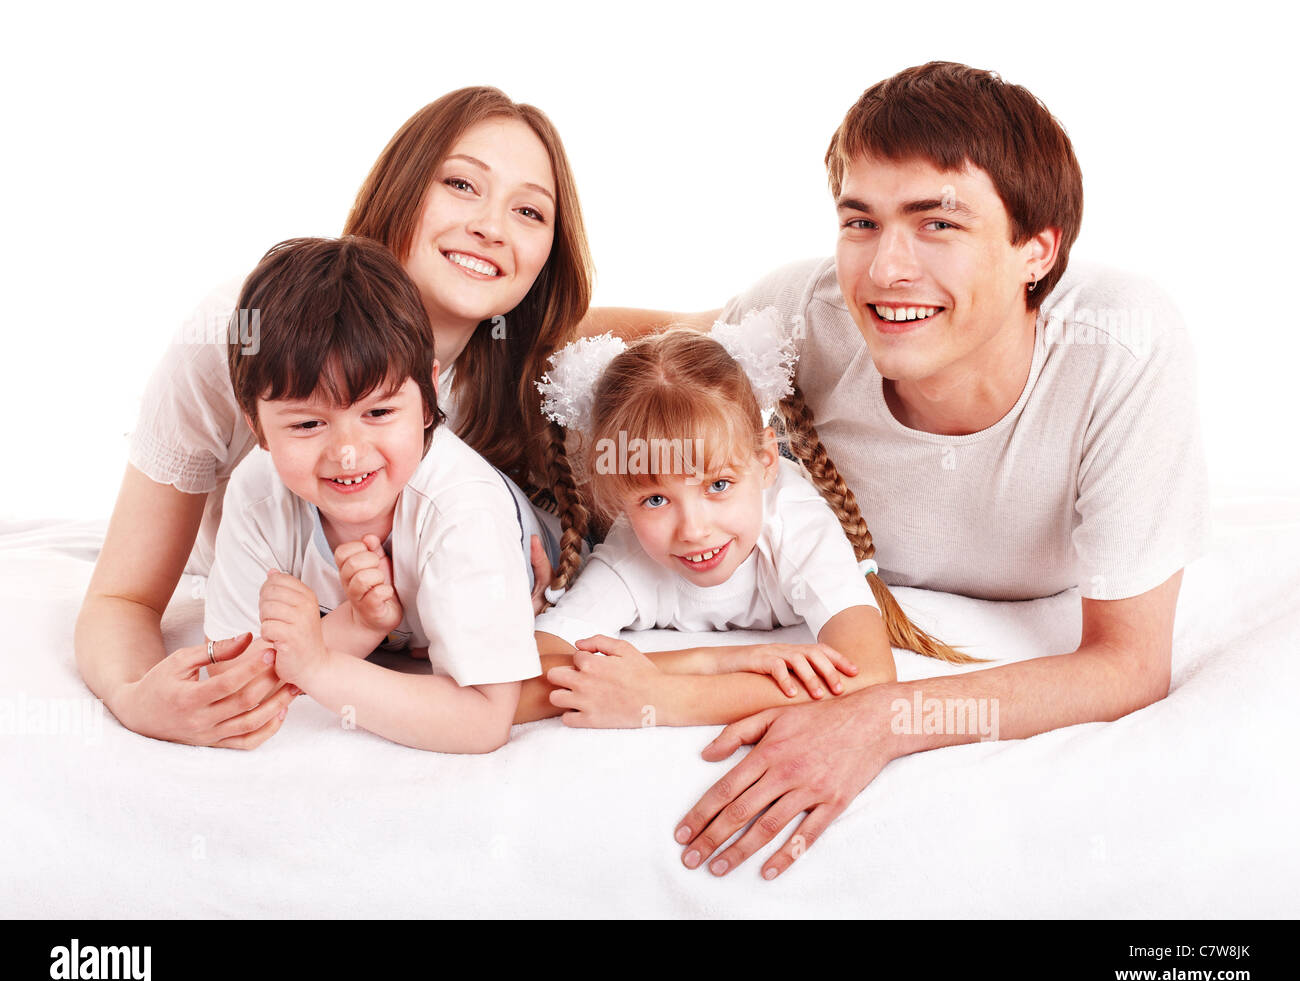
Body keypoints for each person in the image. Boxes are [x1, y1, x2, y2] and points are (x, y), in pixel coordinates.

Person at [588, 62, 1208, 878]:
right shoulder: (803, 315)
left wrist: (880, 719)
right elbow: (660, 339)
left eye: (936, 224)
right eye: (861, 222)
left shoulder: (1121, 349)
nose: (884, 270)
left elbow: (1128, 664)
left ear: (1037, 249)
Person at [76, 87, 593, 748]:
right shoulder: (245, 335)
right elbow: (123, 597)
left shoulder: (518, 376)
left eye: (528, 210)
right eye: (463, 184)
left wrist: (528, 588)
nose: (491, 226)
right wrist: (134, 696)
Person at [516, 311, 980, 727]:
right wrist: (711, 662)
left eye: (718, 486)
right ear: (618, 495)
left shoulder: (793, 520)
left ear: (764, 461)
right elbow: (523, 684)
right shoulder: (629, 555)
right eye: (656, 500)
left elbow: (869, 671)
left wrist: (666, 698)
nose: (694, 530)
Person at [206, 235, 541, 752]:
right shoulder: (257, 493)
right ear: (256, 425)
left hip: (538, 546)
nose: (347, 453)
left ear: (427, 399)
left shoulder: (462, 508)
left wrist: (319, 663)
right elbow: (233, 678)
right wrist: (358, 625)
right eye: (309, 423)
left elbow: (483, 719)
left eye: (378, 413)